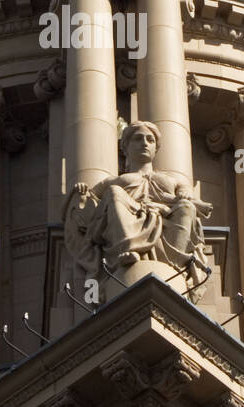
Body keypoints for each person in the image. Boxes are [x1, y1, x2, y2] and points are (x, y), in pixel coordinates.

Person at [64, 121, 210, 286]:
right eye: (138, 139)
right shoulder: (114, 181)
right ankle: (127, 249)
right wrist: (82, 194)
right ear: (125, 147)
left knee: (186, 207)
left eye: (150, 140)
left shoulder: (172, 180)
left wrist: (184, 194)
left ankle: (175, 263)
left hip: (166, 221)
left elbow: (188, 196)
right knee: (114, 192)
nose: (145, 143)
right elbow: (90, 203)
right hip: (128, 218)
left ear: (156, 148)